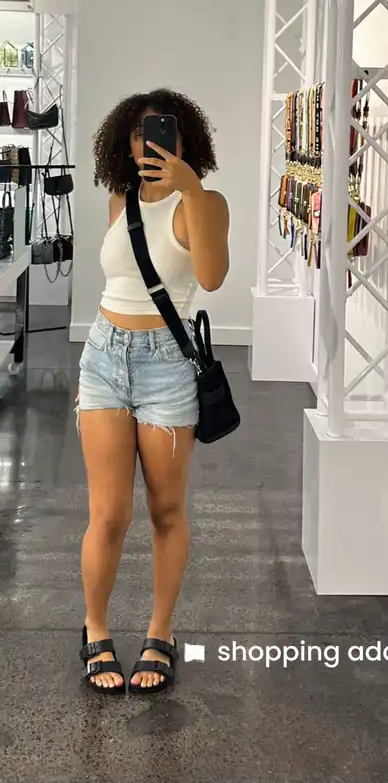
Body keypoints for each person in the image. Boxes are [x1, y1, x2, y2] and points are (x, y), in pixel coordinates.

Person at [76, 89, 229, 694]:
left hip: (167, 366)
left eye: (163, 131)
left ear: (185, 140)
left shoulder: (207, 204)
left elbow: (212, 278)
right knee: (109, 514)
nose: (149, 142)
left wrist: (190, 188)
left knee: (166, 511)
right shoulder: (121, 198)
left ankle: (160, 631)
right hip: (103, 357)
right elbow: (120, 276)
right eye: (140, 133)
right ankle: (94, 629)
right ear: (127, 141)